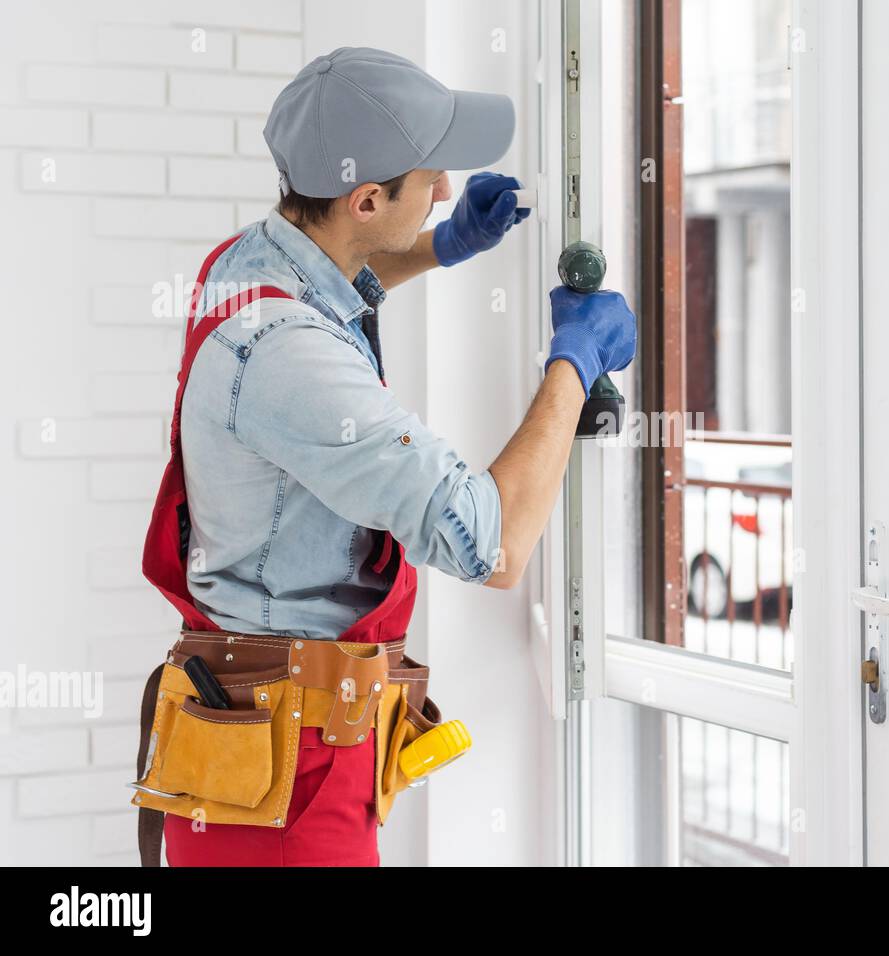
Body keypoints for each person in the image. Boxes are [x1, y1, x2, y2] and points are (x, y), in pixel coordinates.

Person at [137, 47, 635, 867]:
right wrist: (574, 363)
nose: (445, 186)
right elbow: (492, 540)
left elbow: (331, 279)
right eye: (428, 179)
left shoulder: (247, 263)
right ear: (365, 199)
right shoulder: (291, 359)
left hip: (264, 746)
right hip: (287, 790)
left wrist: (446, 243)